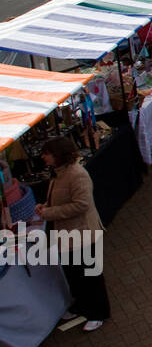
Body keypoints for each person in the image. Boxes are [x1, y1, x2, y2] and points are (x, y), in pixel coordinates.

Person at [34, 136, 109, 332]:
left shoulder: (77, 175)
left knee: (90, 275)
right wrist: (46, 206)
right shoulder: (59, 173)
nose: (43, 157)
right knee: (74, 274)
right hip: (67, 235)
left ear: (58, 154)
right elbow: (60, 197)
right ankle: (81, 306)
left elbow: (81, 205)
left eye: (47, 154)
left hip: (82, 234)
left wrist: (49, 212)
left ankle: (98, 313)